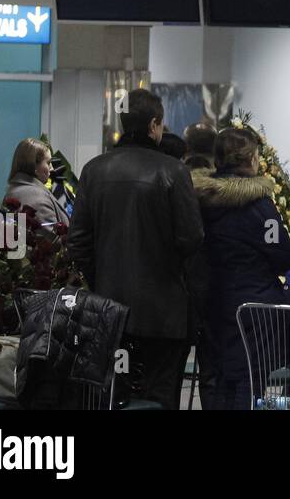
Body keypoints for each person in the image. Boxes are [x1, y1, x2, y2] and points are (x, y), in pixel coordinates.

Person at [68, 89, 203, 410]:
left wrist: (101, 279)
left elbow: (78, 242)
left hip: (108, 313)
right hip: (164, 315)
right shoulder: (174, 172)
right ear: (154, 125)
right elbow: (192, 238)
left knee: (113, 397)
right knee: (159, 398)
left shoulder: (93, 170)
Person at [191, 128, 290, 410]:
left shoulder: (197, 200)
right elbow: (285, 256)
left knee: (216, 377)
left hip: (210, 302)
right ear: (251, 159)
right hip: (254, 309)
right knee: (249, 379)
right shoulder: (259, 206)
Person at [2, 137, 69, 228]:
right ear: (34, 167)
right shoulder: (38, 199)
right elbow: (52, 240)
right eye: (48, 163)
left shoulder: (14, 190)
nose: (52, 168)